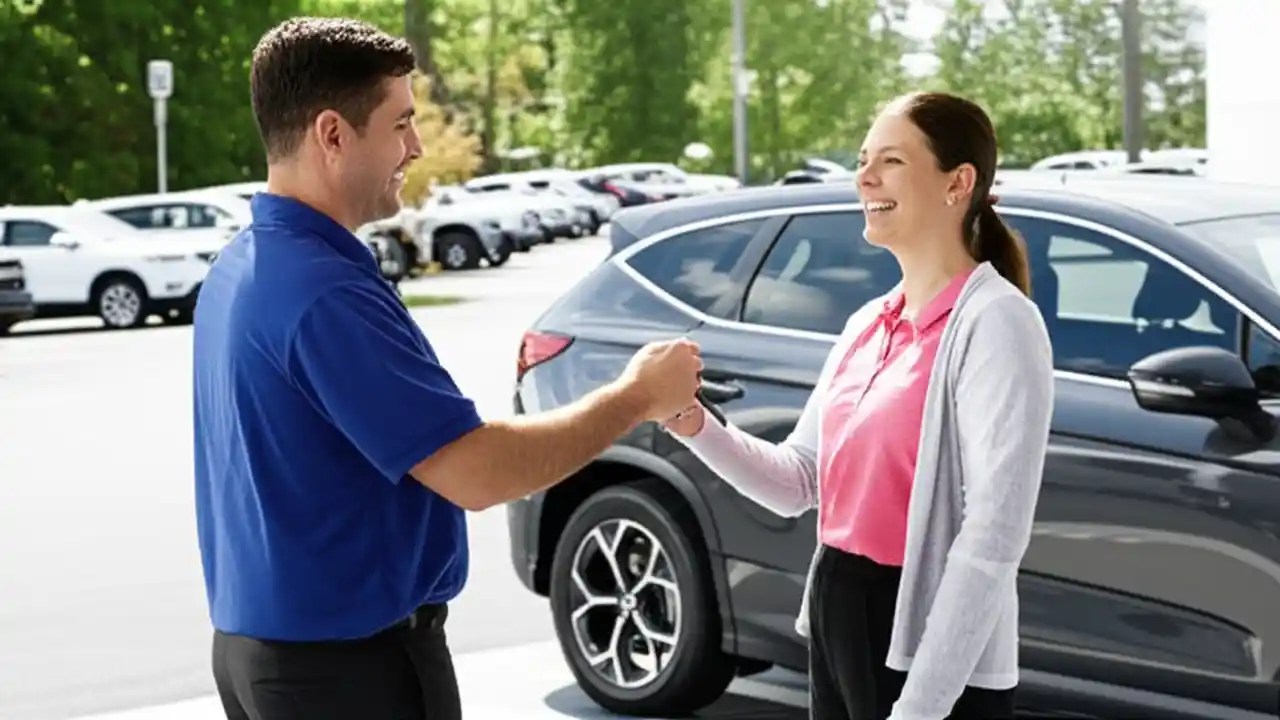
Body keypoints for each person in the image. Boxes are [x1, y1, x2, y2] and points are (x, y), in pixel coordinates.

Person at [191, 17, 702, 720]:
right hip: (347, 674)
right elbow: (477, 472)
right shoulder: (322, 291)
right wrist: (636, 396)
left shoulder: (246, 264)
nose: (417, 146)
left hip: (269, 655)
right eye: (400, 124)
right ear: (333, 134)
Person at [663, 91, 1054, 720]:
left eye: (892, 161)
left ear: (958, 183)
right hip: (838, 607)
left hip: (928, 644)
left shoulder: (998, 322)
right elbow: (799, 482)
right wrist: (692, 423)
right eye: (863, 159)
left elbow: (993, 537)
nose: (864, 177)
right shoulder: (869, 322)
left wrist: (920, 706)